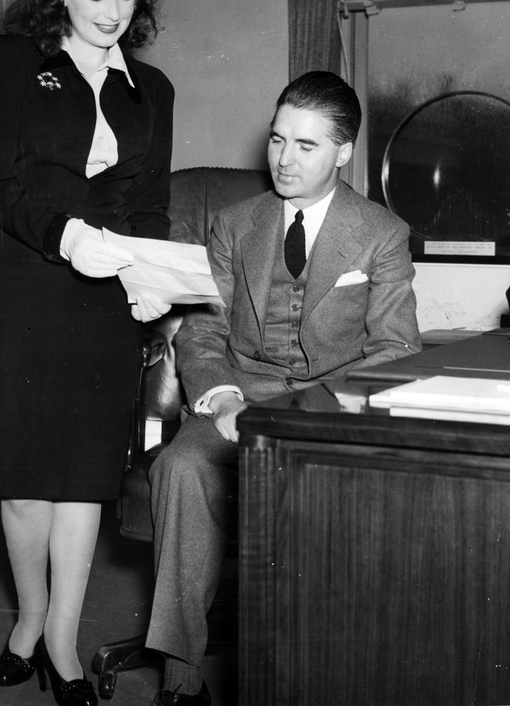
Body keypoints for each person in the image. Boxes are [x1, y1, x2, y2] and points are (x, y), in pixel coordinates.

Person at [0, 0, 173, 705]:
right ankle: (28, 619)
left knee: (81, 480)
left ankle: (65, 644)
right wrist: (66, 234)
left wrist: (151, 278)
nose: (112, 12)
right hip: (23, 285)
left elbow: (148, 203)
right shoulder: (10, 61)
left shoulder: (153, 89)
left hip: (106, 301)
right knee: (23, 483)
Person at [144, 71, 422, 705]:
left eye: (306, 145)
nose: (283, 159)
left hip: (323, 408)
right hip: (237, 397)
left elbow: (395, 349)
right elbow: (204, 332)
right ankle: (181, 682)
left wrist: (307, 409)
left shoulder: (381, 233)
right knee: (180, 470)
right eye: (276, 140)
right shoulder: (235, 224)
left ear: (343, 151)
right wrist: (222, 398)